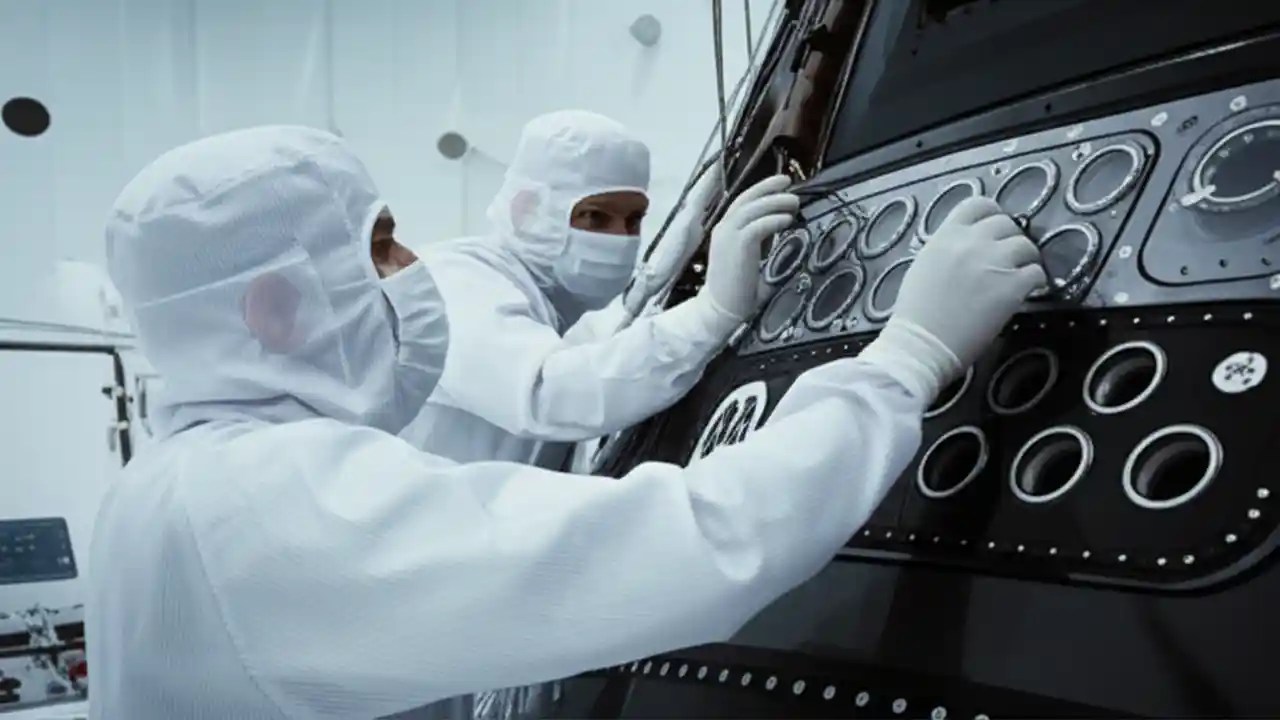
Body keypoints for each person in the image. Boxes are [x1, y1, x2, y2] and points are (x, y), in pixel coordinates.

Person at [87, 124, 1043, 719]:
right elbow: (695, 541)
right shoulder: (272, 501)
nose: (414, 265)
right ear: (276, 311)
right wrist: (905, 356)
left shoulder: (166, 487)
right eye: (380, 246)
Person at [400, 110, 759, 469]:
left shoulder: (556, 316)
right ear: (527, 210)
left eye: (633, 221)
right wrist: (710, 316)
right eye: (596, 216)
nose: (620, 238)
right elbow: (546, 393)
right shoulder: (452, 278)